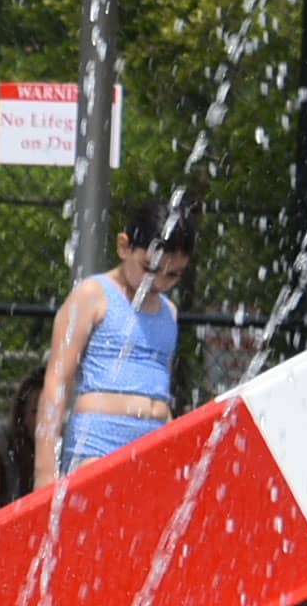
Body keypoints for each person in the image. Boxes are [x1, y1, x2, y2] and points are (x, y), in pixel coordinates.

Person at [35, 195, 197, 490]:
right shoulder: (93, 294)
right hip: (98, 440)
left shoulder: (168, 313)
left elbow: (158, 387)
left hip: (155, 440)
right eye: (149, 268)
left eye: (172, 275)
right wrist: (45, 473)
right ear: (124, 246)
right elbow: (58, 380)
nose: (158, 282)